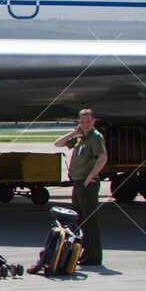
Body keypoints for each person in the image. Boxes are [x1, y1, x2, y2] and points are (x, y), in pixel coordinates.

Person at [55, 109, 108, 266]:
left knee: (90, 221)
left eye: (88, 121)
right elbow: (58, 143)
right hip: (77, 183)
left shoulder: (95, 137)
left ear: (93, 121)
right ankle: (85, 253)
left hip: (87, 184)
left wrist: (90, 177)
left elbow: (103, 157)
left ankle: (94, 256)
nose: (85, 124)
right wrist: (74, 133)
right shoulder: (80, 137)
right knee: (79, 220)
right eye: (82, 122)